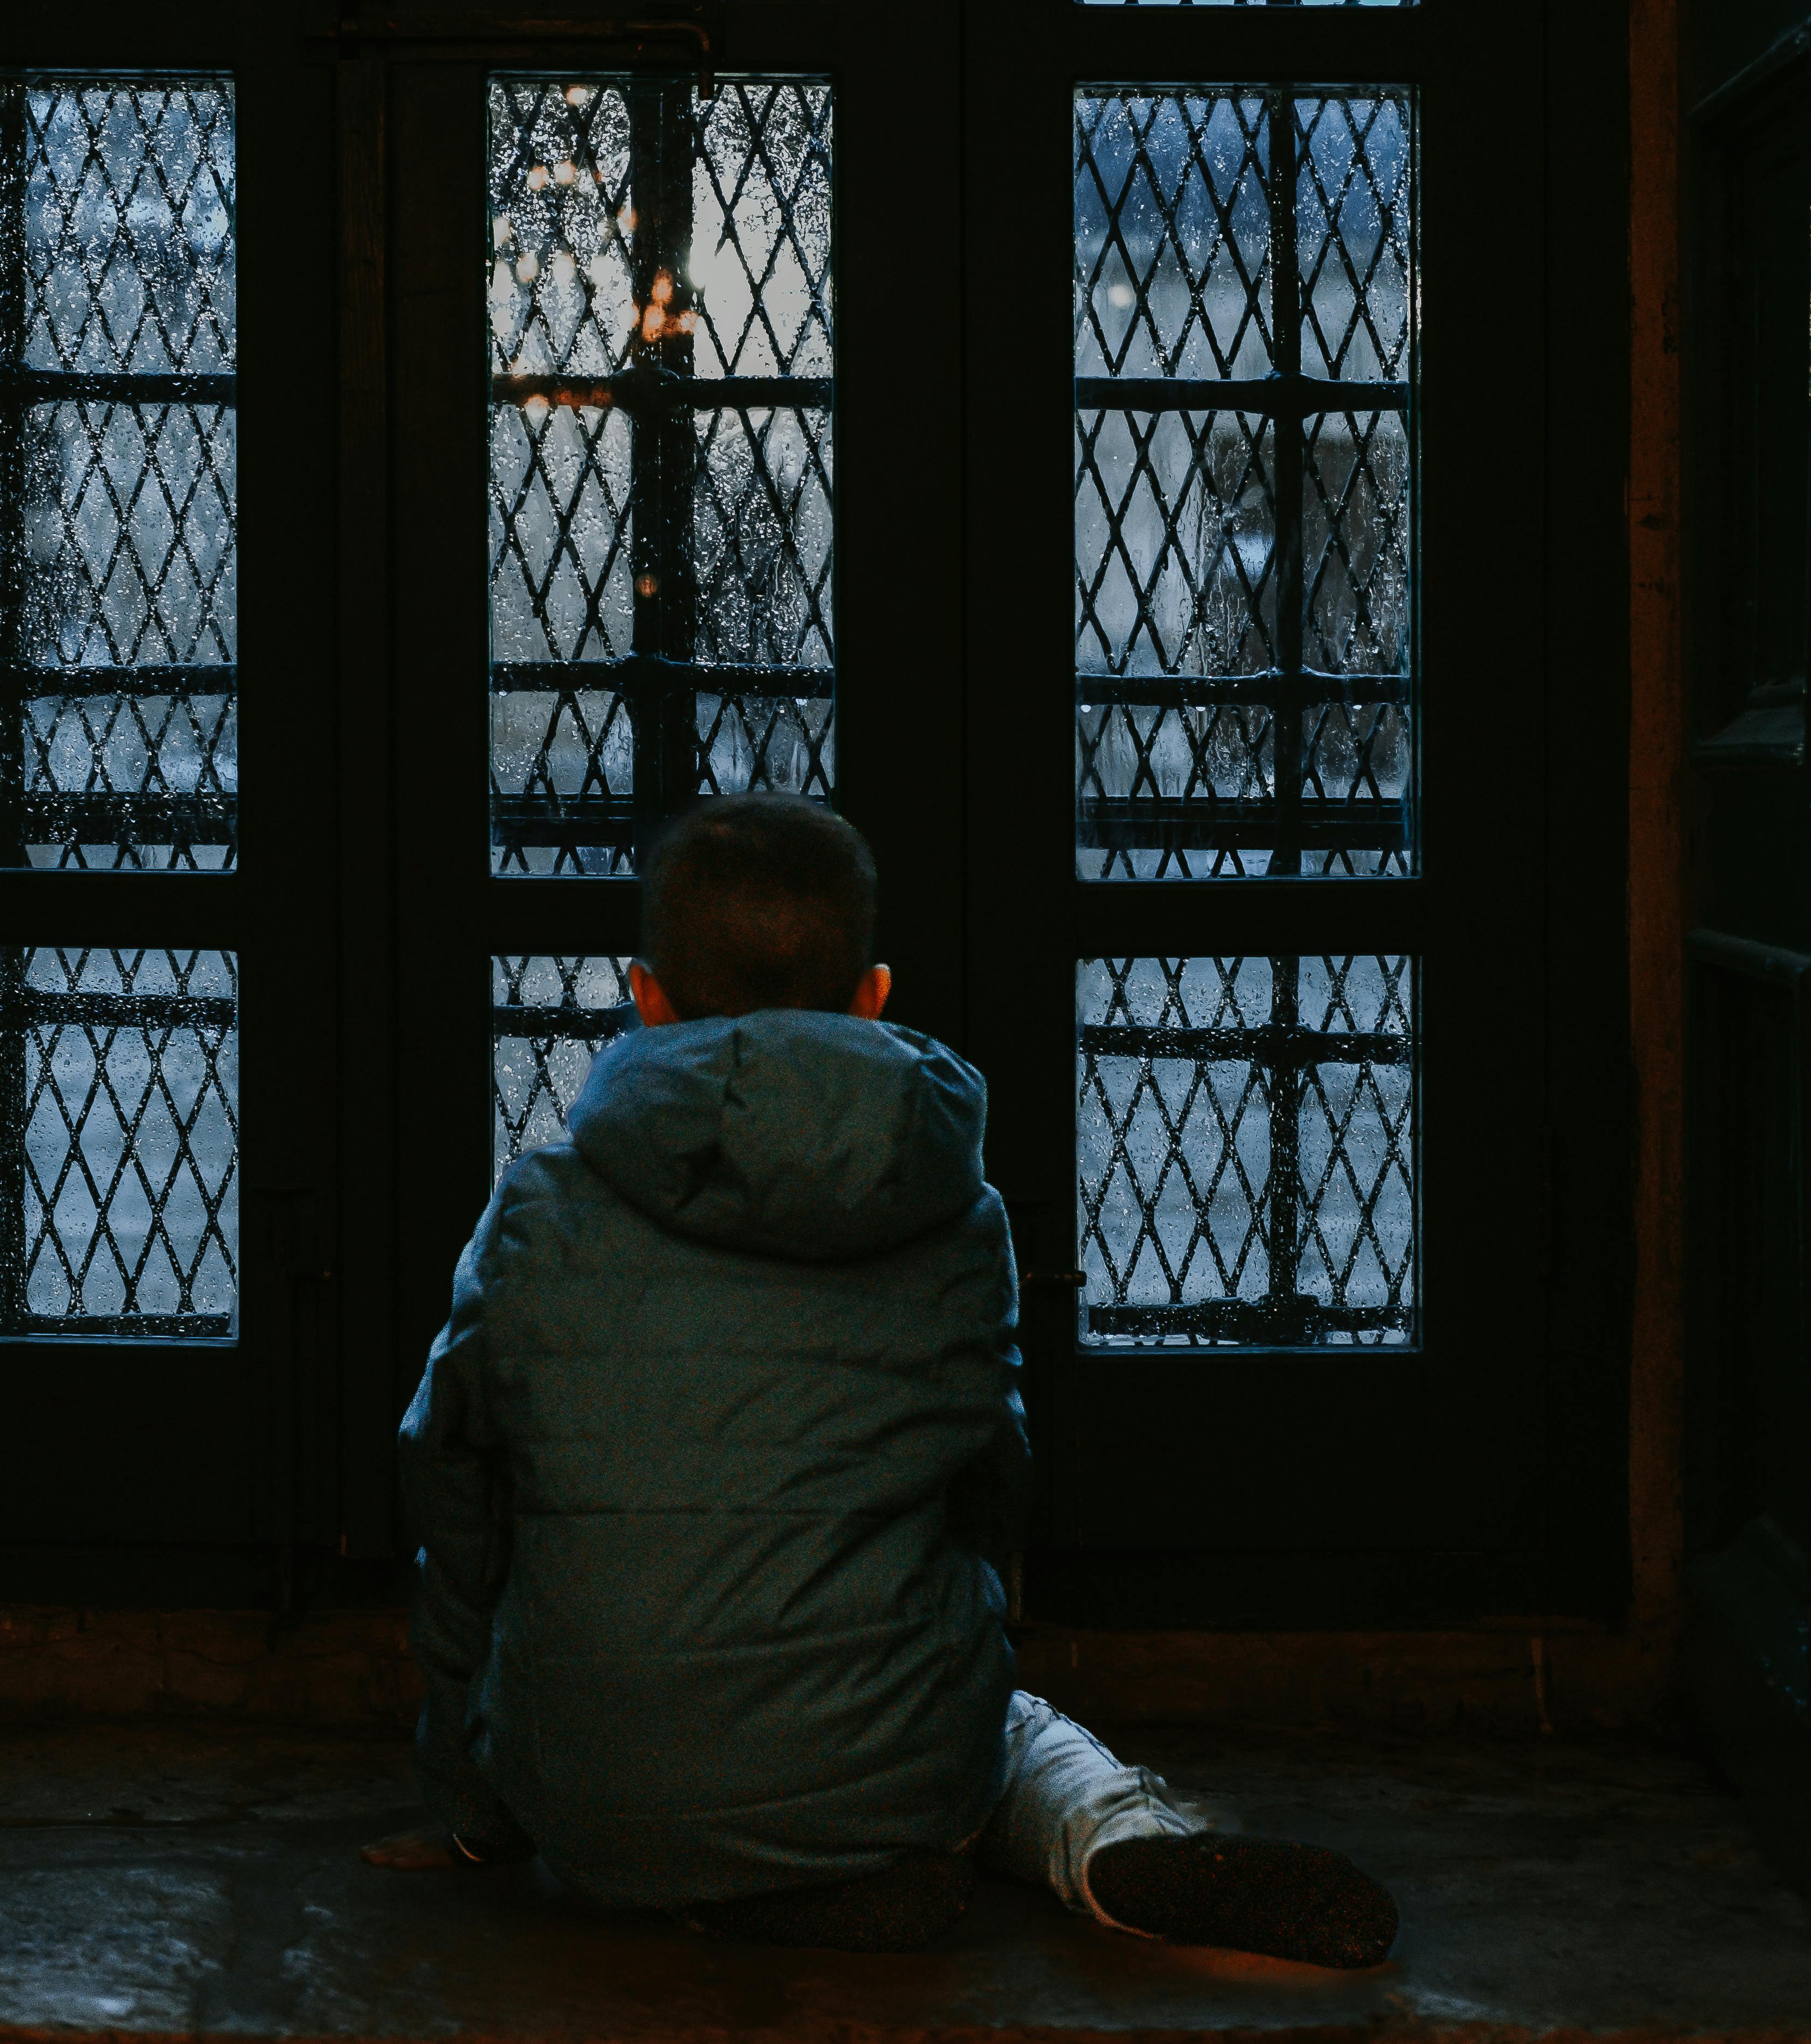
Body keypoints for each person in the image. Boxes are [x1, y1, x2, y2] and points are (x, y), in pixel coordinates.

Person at [367, 795, 1396, 1967]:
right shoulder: (960, 1219)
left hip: (588, 1804)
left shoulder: (536, 1215)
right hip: (889, 1778)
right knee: (996, 1720)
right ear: (873, 997)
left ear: (644, 995)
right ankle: (1104, 1842)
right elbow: (992, 1488)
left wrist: (472, 1803)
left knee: (643, 1687)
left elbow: (453, 1502)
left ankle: (721, 1873)